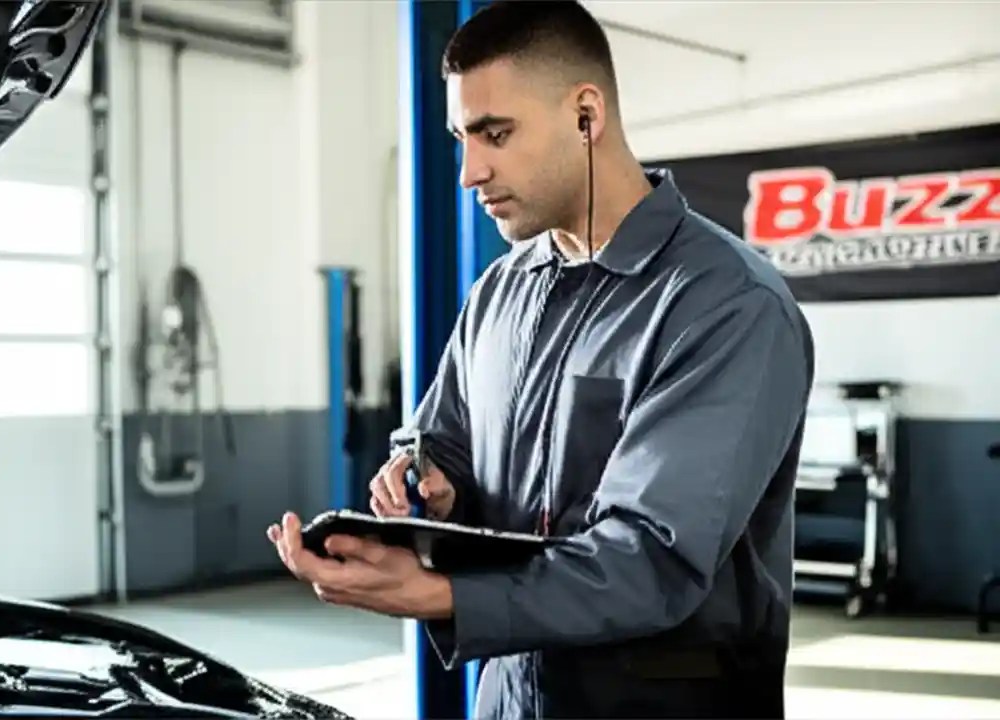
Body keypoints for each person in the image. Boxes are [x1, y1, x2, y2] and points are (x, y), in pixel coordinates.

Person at [267, 1, 814, 717]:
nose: (469, 172)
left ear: (586, 115)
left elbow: (654, 557)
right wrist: (422, 476)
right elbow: (442, 441)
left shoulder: (725, 304)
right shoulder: (500, 292)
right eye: (461, 138)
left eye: (495, 134)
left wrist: (443, 596)